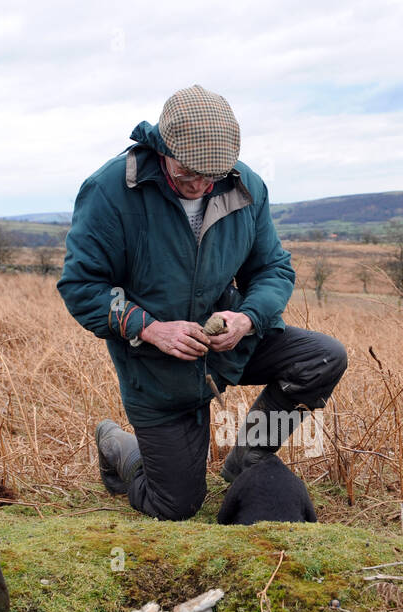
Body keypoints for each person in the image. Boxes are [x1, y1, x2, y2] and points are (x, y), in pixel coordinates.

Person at [57, 84, 347, 520]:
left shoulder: (246, 186)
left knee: (322, 358)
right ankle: (119, 444)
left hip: (227, 349)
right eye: (188, 174)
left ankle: (248, 458)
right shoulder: (110, 191)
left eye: (212, 175)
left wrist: (246, 319)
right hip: (156, 368)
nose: (201, 186)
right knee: (176, 506)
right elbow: (82, 285)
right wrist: (151, 328)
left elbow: (273, 269)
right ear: (161, 148)